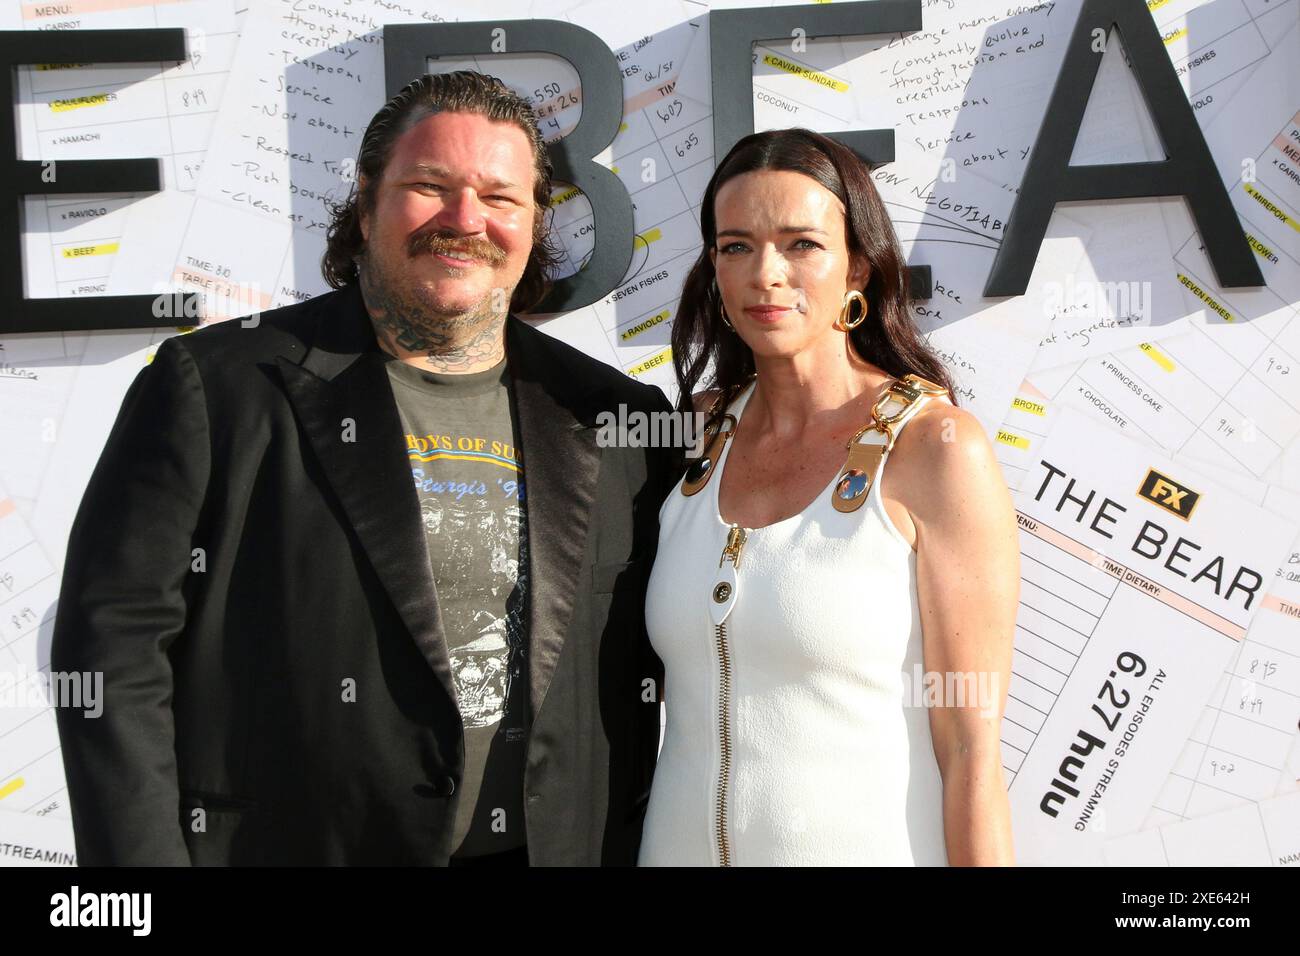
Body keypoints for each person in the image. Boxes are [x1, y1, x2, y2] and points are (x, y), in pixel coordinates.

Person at [51, 70, 673, 866]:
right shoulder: (215, 389)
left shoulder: (620, 419)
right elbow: (112, 657)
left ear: (535, 222)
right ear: (368, 197)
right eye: (429, 186)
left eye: (500, 197)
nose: (465, 219)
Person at [637, 128, 1019, 866]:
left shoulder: (936, 449)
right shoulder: (696, 434)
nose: (765, 276)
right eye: (736, 246)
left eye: (801, 245)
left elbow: (972, 751)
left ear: (859, 270)